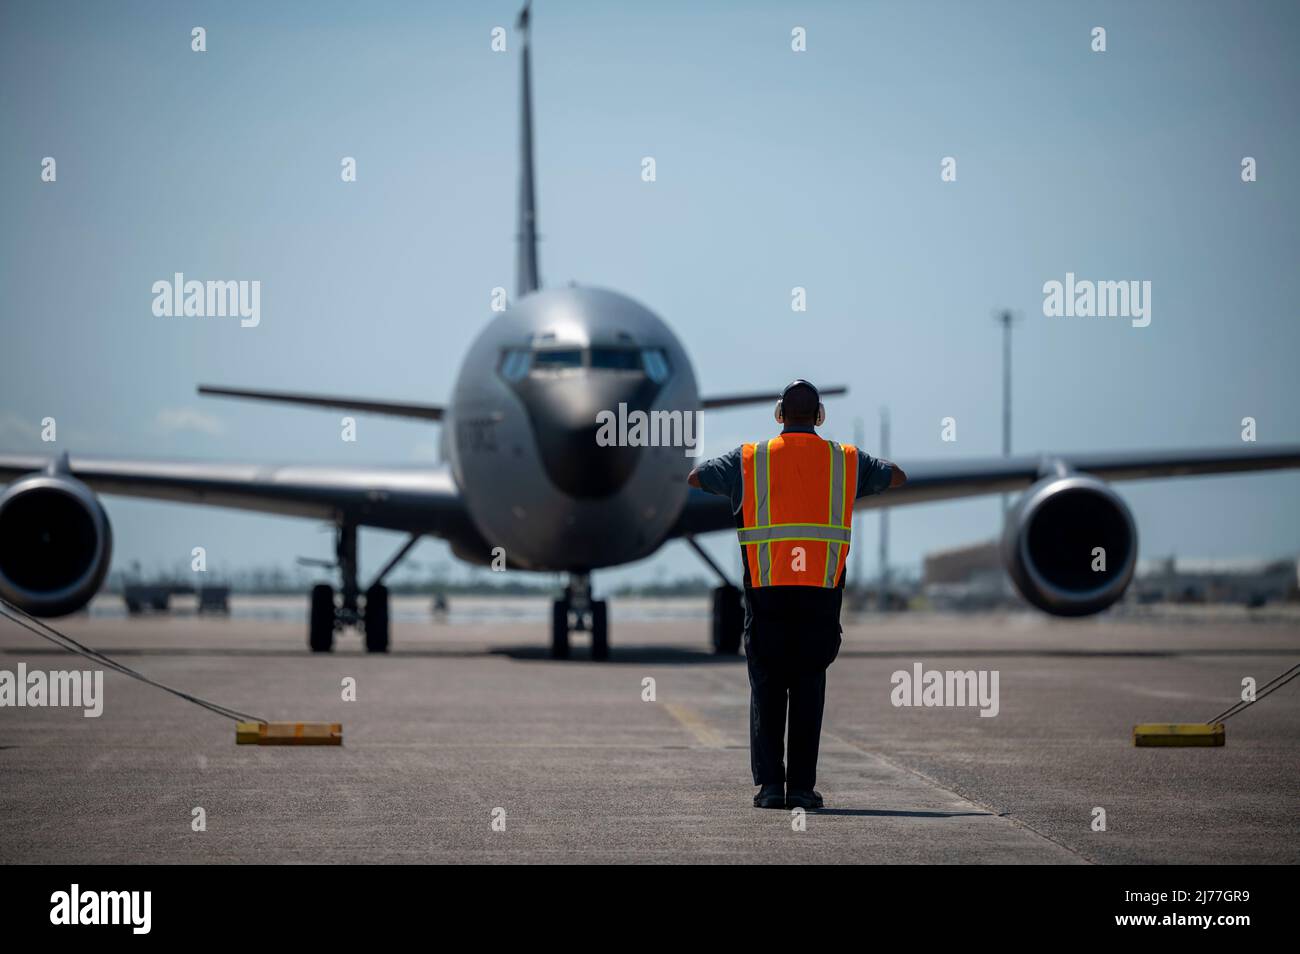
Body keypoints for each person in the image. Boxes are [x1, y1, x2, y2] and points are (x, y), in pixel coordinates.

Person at [687, 380, 906, 809]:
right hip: (819, 598)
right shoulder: (845, 461)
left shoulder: (750, 460)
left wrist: (738, 487)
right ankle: (802, 790)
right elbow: (898, 476)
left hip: (767, 597)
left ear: (779, 415)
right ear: (820, 416)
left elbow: (696, 477)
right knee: (808, 693)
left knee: (767, 693)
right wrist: (859, 474)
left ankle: (771, 789)